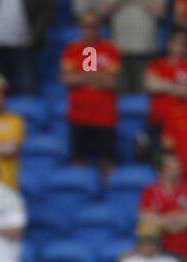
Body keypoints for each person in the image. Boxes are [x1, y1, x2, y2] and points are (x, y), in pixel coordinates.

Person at [61, 11, 121, 181]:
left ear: (100, 28)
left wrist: (81, 76)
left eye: (93, 26)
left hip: (105, 116)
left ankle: (109, 196)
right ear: (80, 28)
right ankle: (79, 194)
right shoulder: (72, 49)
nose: (89, 30)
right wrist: (97, 75)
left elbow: (112, 81)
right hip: (79, 115)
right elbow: (66, 78)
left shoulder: (110, 49)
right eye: (85, 26)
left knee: (107, 161)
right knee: (78, 159)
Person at [138, 153, 187, 262]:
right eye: (172, 165)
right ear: (161, 169)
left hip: (186, 252)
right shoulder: (150, 191)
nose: (177, 168)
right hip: (159, 250)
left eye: (178, 164)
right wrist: (179, 218)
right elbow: (146, 220)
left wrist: (162, 221)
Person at [139, 29, 187, 164]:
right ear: (169, 44)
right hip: (158, 121)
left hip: (181, 123)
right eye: (176, 44)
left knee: (179, 161)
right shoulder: (157, 64)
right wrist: (177, 87)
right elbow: (150, 85)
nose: (179, 48)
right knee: (158, 162)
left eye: (183, 44)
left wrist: (163, 84)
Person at [0, 0, 53, 96]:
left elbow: (46, 12)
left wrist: (34, 37)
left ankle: (28, 110)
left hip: (24, 47)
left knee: (27, 88)